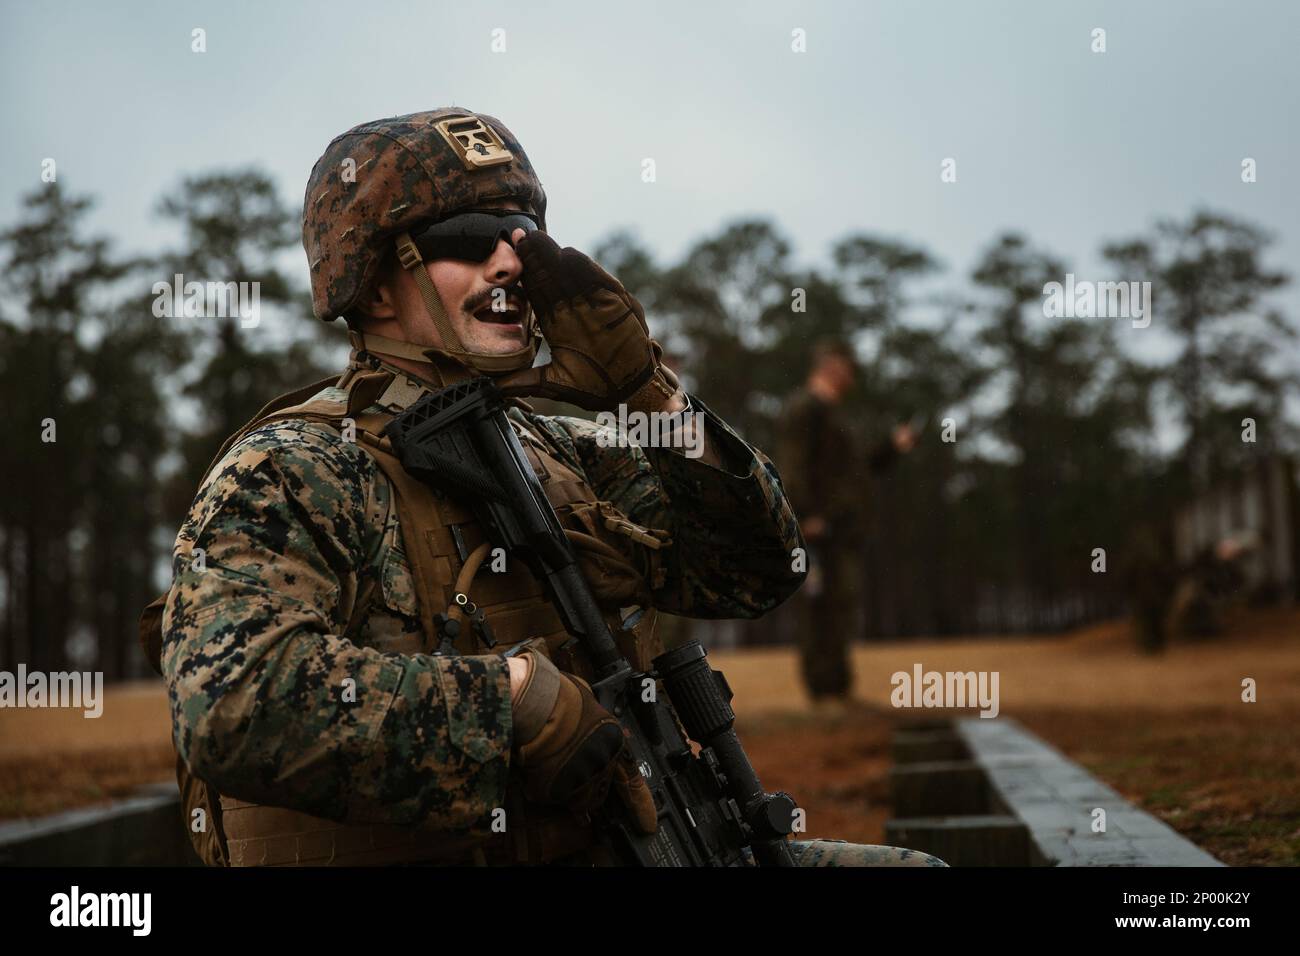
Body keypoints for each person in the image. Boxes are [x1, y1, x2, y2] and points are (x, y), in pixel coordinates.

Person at [147, 108, 945, 868]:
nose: (511, 262)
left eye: (524, 237)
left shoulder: (557, 451)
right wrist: (514, 703)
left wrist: (647, 393)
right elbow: (237, 705)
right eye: (470, 238)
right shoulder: (297, 468)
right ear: (377, 284)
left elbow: (758, 569)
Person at [776, 340, 916, 711]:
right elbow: (793, 467)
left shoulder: (837, 417)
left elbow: (858, 472)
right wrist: (805, 517)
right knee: (817, 609)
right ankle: (822, 693)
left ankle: (839, 689)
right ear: (829, 369)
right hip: (817, 530)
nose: (851, 378)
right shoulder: (805, 410)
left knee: (841, 606)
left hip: (842, 531)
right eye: (846, 370)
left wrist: (892, 448)